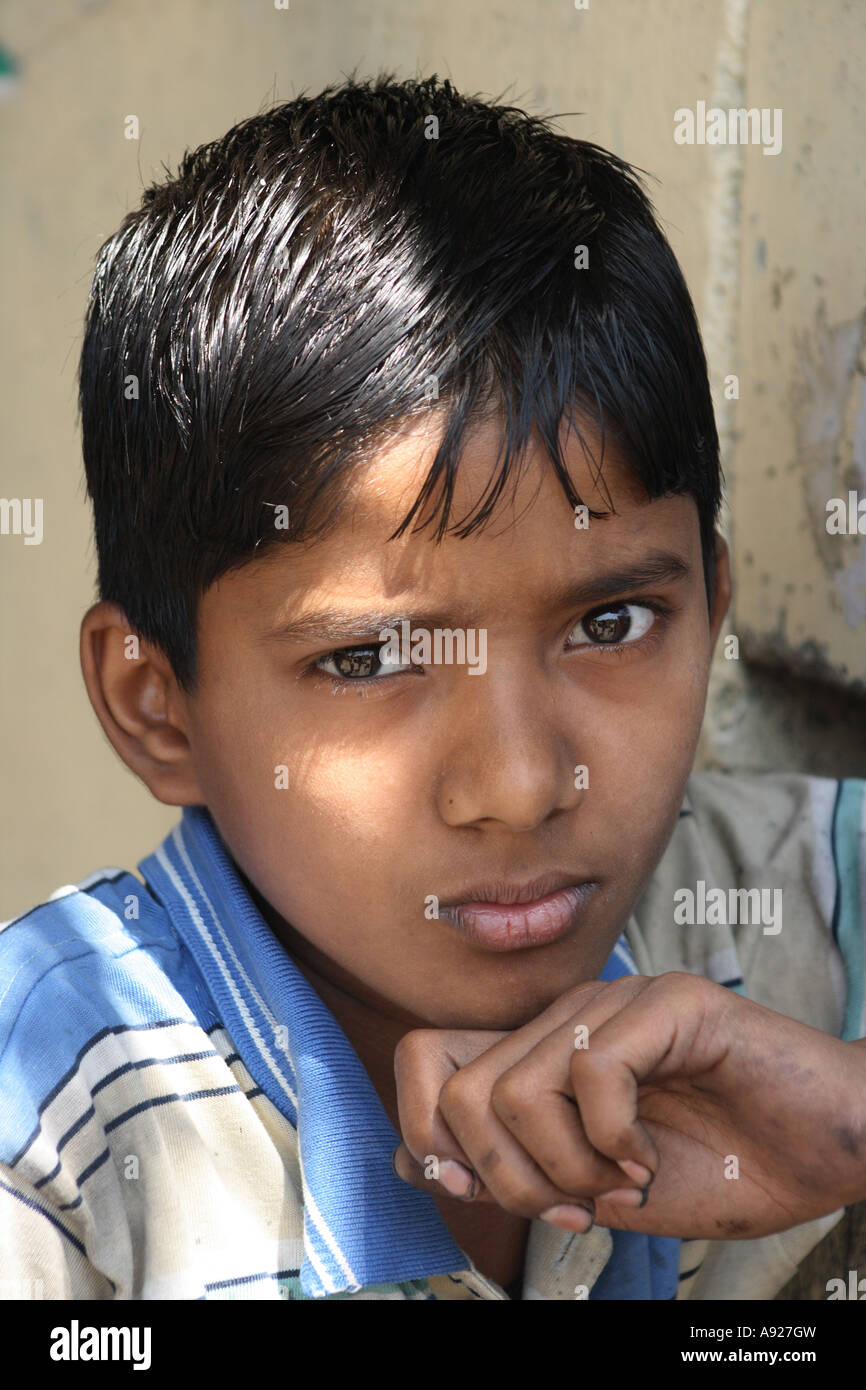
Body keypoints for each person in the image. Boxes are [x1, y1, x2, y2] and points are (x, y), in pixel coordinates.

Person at [1, 72, 863, 1302]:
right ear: (157, 704)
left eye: (611, 621)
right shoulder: (48, 1152)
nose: (519, 785)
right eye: (369, 659)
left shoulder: (800, 909)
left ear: (712, 608)